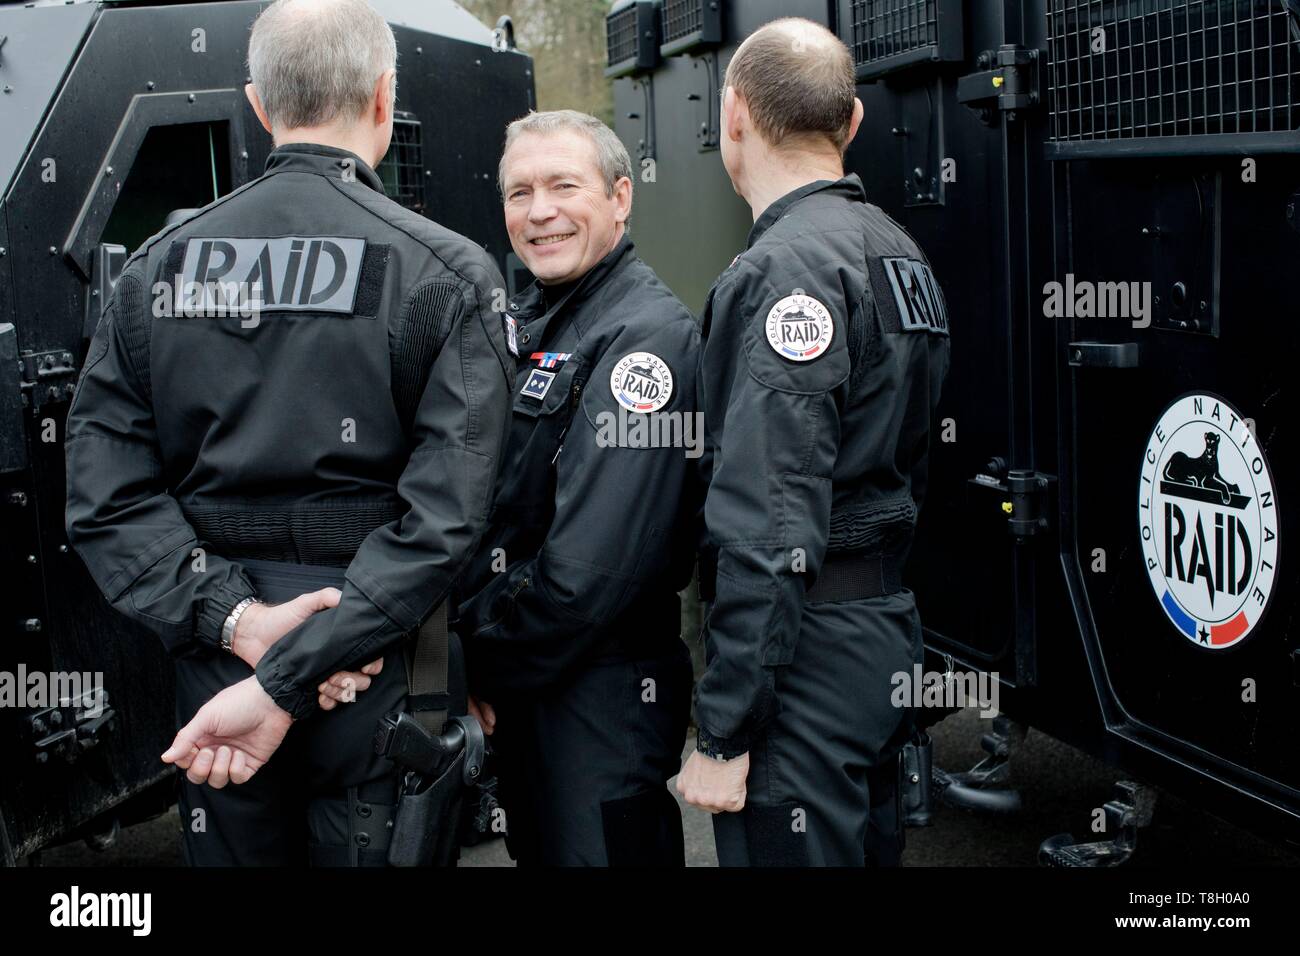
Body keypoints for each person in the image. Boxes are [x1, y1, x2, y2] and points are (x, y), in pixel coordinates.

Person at [63, 0, 512, 865]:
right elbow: (446, 519)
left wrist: (237, 622)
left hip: (220, 668)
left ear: (258, 105)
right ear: (386, 100)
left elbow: (105, 494)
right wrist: (310, 657)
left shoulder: (160, 266)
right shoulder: (446, 270)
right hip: (379, 661)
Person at [346, 109, 699, 866]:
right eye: (519, 193)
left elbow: (586, 574)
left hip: (600, 699)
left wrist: (478, 664)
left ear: (621, 197)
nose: (539, 212)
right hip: (536, 690)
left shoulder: (645, 340)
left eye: (563, 186)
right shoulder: (537, 322)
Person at [676, 18, 951, 867]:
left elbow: (770, 518)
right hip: (880, 632)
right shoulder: (900, 254)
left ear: (733, 116)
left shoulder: (783, 271)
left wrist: (724, 728)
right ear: (854, 122)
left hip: (803, 655)